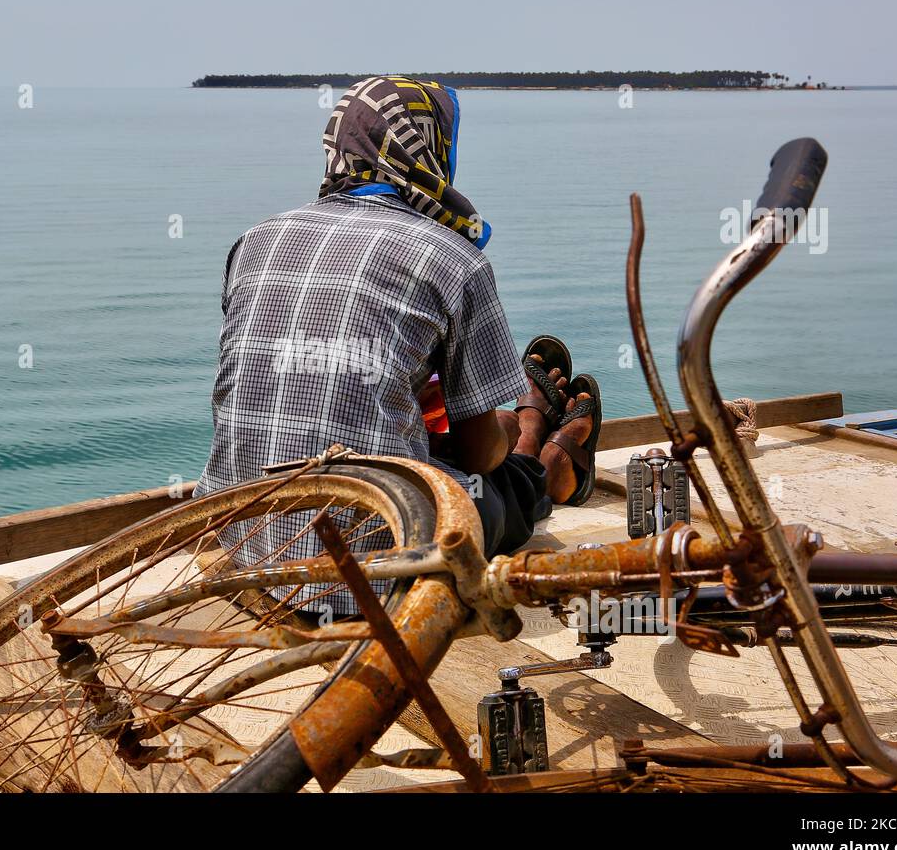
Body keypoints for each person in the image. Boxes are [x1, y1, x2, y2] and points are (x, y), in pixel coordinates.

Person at [195, 75, 602, 612]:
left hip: (243, 531)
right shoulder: (452, 257)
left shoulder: (255, 241)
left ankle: (518, 430)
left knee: (437, 427)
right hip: (376, 560)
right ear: (430, 149)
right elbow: (479, 458)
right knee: (497, 479)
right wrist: (490, 441)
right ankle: (544, 460)